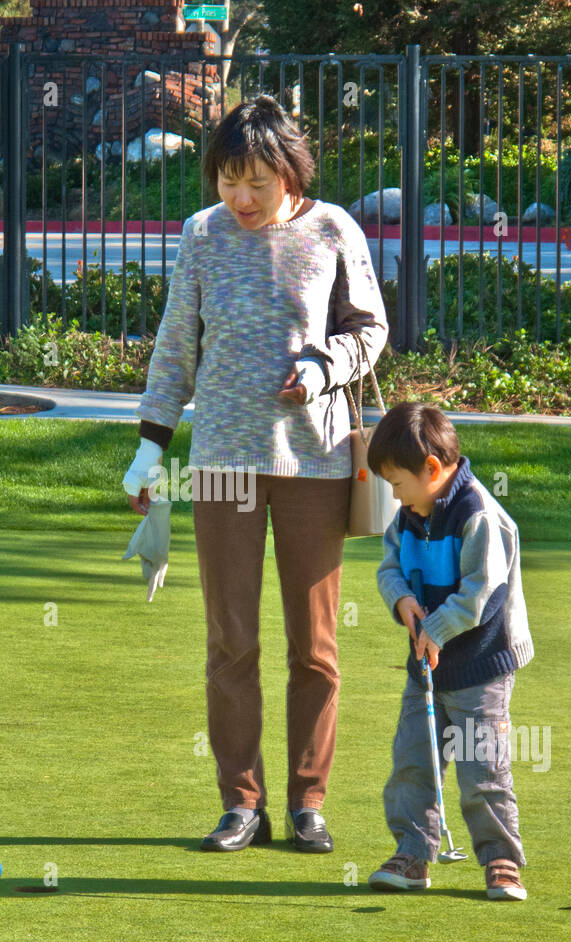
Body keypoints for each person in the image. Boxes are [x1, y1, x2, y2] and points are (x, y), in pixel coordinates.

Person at [122, 95, 389, 853]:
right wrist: (151, 445)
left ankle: (309, 803)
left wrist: (323, 362)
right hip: (222, 469)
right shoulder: (201, 236)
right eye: (226, 181)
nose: (239, 199)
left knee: (316, 647)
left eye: (255, 184)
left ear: (289, 174)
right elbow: (178, 345)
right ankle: (243, 803)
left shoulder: (335, 228)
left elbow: (370, 329)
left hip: (316, 462)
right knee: (231, 643)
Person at [365, 403, 535, 899]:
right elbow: (389, 568)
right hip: (426, 670)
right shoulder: (408, 517)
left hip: (481, 667)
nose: (393, 494)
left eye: (397, 483)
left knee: (483, 770)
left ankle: (501, 859)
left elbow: (482, 592)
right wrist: (400, 598)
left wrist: (436, 628)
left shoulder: (478, 514)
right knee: (413, 763)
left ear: (433, 470)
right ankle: (414, 854)